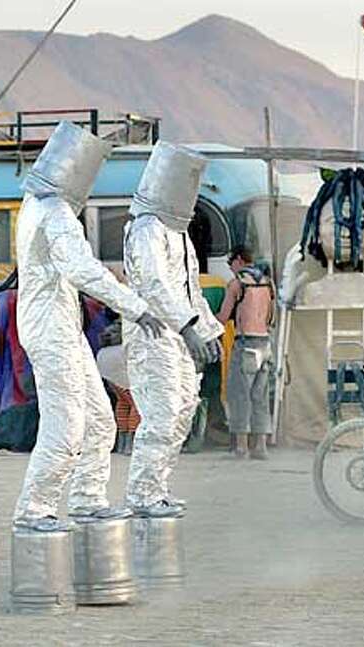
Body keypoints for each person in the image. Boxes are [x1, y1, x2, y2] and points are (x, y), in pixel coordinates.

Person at [12, 121, 165, 532]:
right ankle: (35, 509)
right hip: (52, 331)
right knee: (68, 424)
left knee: (100, 419)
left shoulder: (32, 205)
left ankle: (87, 498)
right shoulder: (56, 213)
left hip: (58, 326)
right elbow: (82, 270)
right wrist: (135, 307)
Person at [123, 141, 223, 517]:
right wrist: (189, 329)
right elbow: (155, 285)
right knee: (162, 413)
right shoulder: (146, 229)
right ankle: (142, 494)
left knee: (183, 408)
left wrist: (209, 330)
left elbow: (190, 287)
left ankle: (158, 487)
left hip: (181, 336)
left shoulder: (177, 233)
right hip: (154, 338)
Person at [216, 245, 275, 460]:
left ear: (239, 260)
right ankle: (261, 446)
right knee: (260, 396)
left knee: (240, 395)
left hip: (246, 343)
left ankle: (241, 447)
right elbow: (271, 318)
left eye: (230, 263)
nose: (230, 268)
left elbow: (223, 318)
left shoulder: (237, 284)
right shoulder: (268, 284)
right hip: (265, 343)